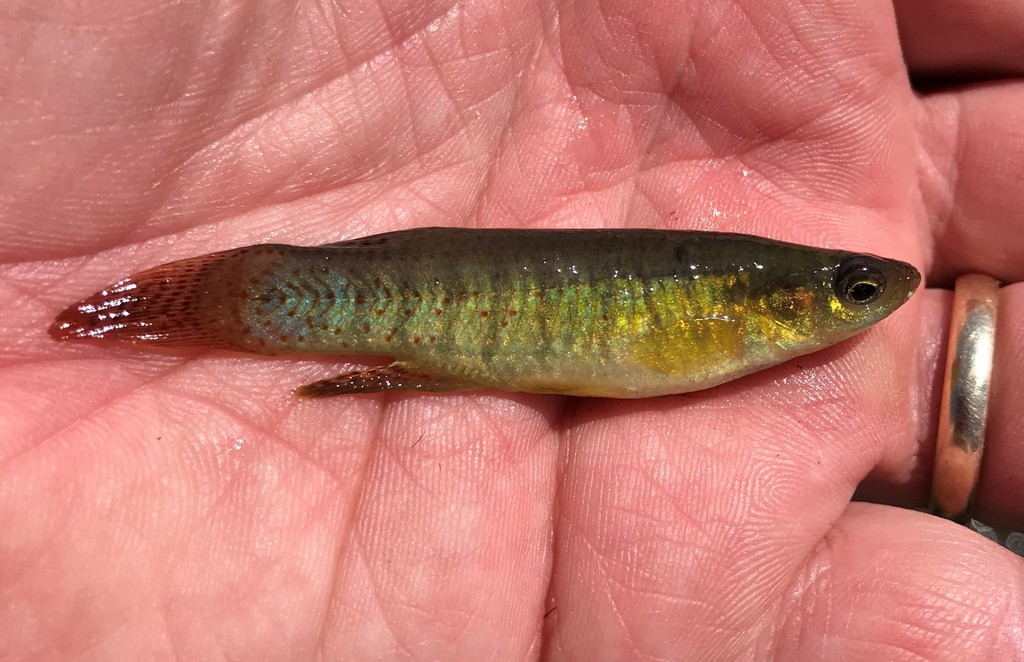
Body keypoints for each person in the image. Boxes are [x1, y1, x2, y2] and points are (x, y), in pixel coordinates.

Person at [1, 0, 1021, 657]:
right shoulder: (743, 309)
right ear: (784, 299)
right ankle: (214, 306)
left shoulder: (750, 309)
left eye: (852, 290)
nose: (870, 298)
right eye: (852, 289)